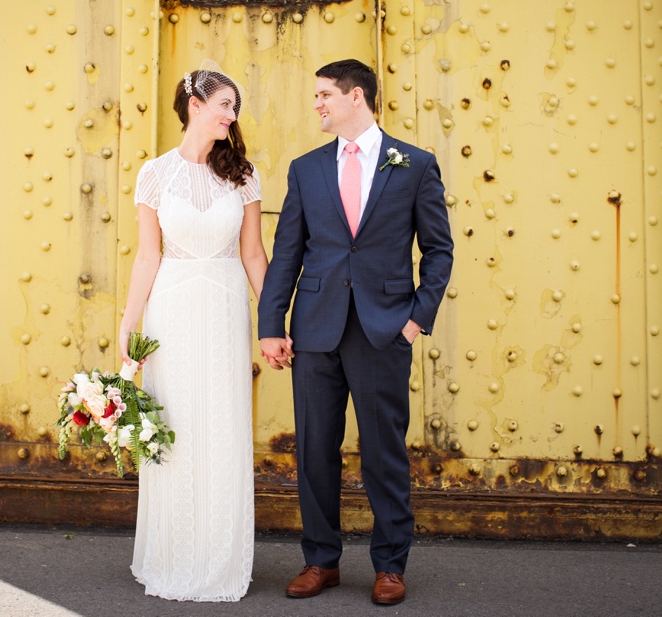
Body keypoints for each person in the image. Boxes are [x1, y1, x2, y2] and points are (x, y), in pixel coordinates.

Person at [258, 59, 454, 606]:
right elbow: (288, 254)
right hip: (315, 332)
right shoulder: (306, 168)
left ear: (357, 96)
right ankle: (321, 560)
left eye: (325, 94)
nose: (317, 104)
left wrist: (415, 322)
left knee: (383, 453)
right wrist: (271, 325)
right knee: (314, 450)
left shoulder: (413, 164)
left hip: (384, 331)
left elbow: (438, 250)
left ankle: (390, 565)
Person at [121, 65, 267, 602]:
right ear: (195, 104)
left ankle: (221, 558)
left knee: (223, 426)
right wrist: (129, 321)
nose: (232, 114)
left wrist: (272, 319)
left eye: (235, 107)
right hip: (172, 311)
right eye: (225, 104)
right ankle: (175, 552)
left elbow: (253, 254)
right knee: (176, 426)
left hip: (227, 308)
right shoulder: (154, 174)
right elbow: (148, 254)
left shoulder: (244, 173)